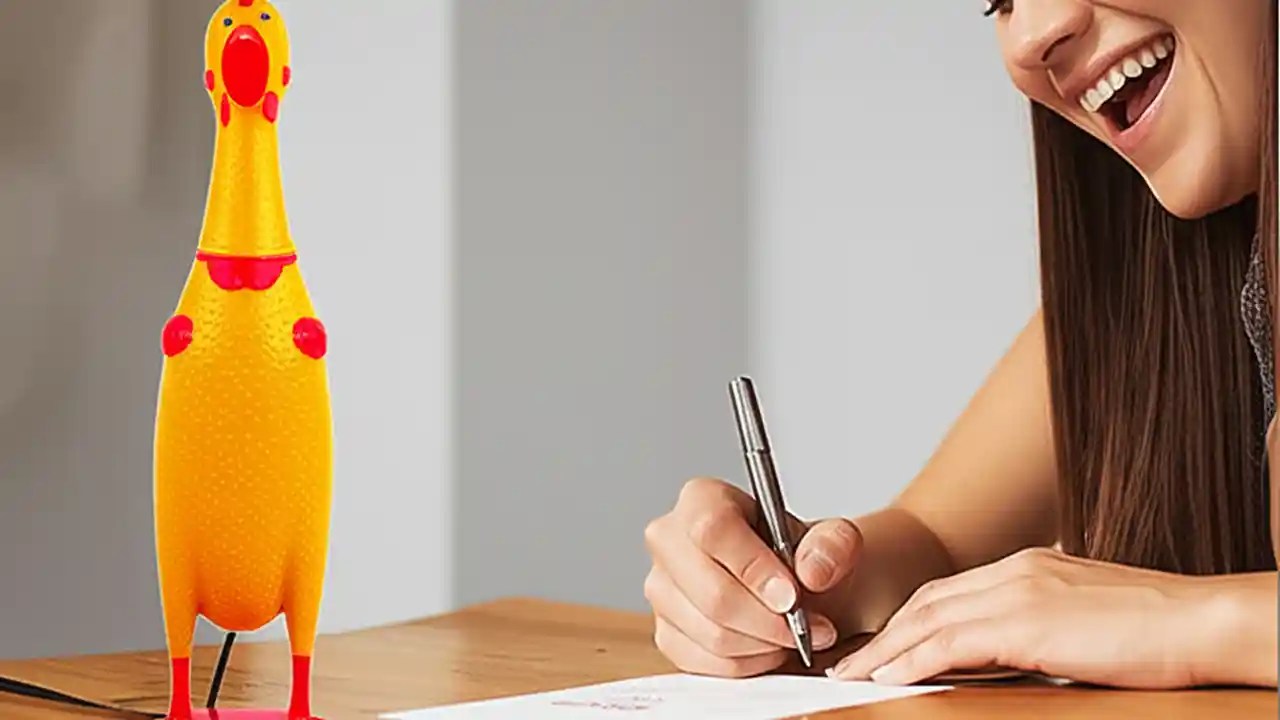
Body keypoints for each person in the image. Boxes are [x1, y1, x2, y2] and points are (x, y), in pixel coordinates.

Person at [643, 0, 1279, 689]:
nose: (1033, 35)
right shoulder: (1178, 294)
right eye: (999, 2)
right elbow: (933, 539)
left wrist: (1184, 623)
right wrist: (786, 584)